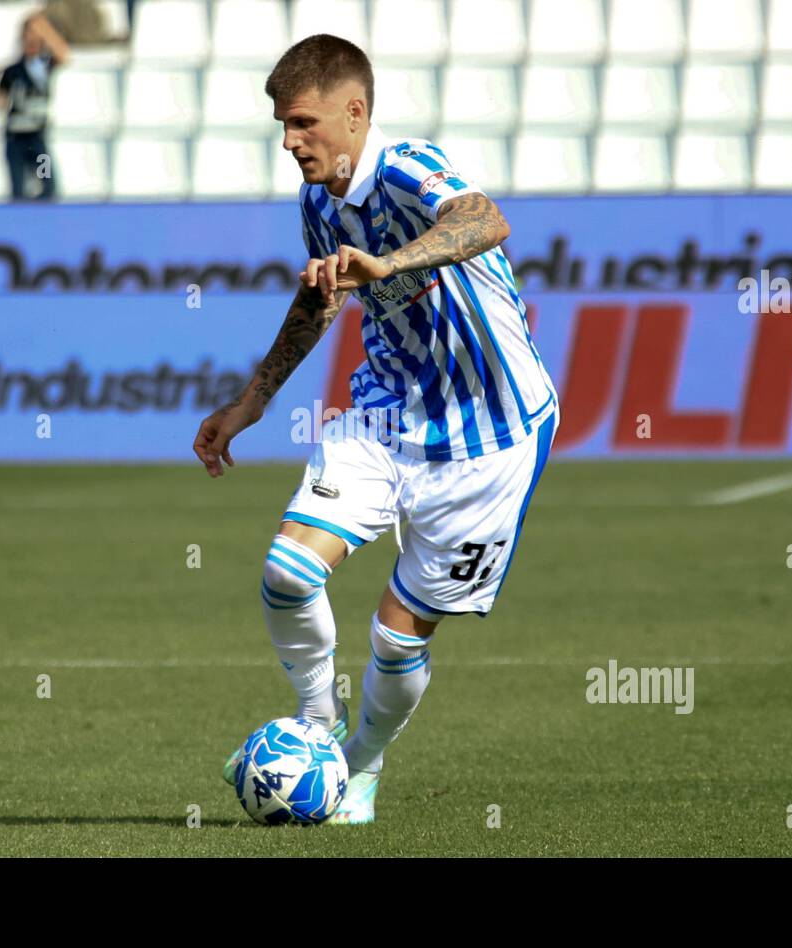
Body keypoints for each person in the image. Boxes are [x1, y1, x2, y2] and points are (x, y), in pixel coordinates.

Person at [192, 34, 560, 825]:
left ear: (355, 114)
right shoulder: (319, 202)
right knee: (289, 573)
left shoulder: (407, 166)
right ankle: (317, 728)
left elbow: (484, 219)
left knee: (397, 639)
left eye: (303, 123)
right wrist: (251, 401)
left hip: (489, 437)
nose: (290, 143)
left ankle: (357, 764)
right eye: (283, 127)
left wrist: (389, 264)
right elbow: (321, 300)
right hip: (384, 411)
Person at [0, 12, 69, 200]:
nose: (30, 38)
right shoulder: (12, 70)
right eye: (27, 33)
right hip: (15, 138)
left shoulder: (45, 64)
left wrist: (44, 29)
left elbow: (64, 55)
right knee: (18, 190)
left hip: (37, 137)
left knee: (48, 185)